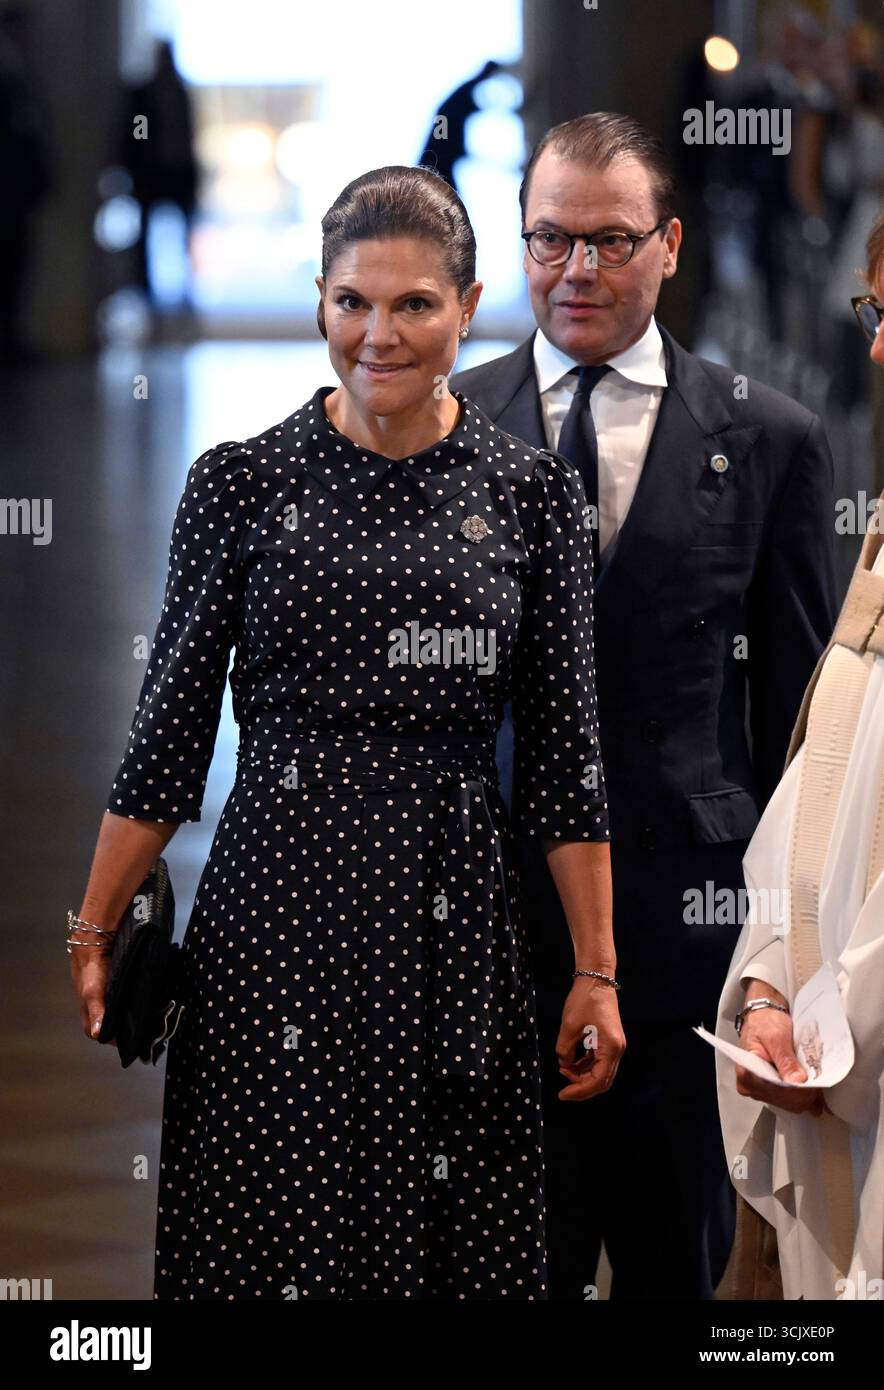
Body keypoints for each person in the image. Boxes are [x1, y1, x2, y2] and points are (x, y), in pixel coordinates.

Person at [68, 165, 622, 1300]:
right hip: (274, 917)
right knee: (271, 1243)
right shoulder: (239, 482)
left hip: (453, 922)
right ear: (319, 300)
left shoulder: (530, 496)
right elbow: (166, 737)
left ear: (467, 310)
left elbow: (566, 757)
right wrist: (92, 921)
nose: (379, 335)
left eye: (414, 304)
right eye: (351, 304)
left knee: (445, 1249)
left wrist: (595, 969)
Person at [451, 112, 838, 1300]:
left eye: (611, 242)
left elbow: (800, 732)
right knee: (509, 1256)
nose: (577, 270)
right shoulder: (446, 423)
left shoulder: (766, 435)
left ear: (668, 244)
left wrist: (789, 957)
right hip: (489, 917)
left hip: (685, 917)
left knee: (677, 1254)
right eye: (549, 240)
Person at [716, 211, 884, 1301]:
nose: (871, 345)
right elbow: (823, 757)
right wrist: (774, 977)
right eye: (874, 310)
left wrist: (843, 1031)